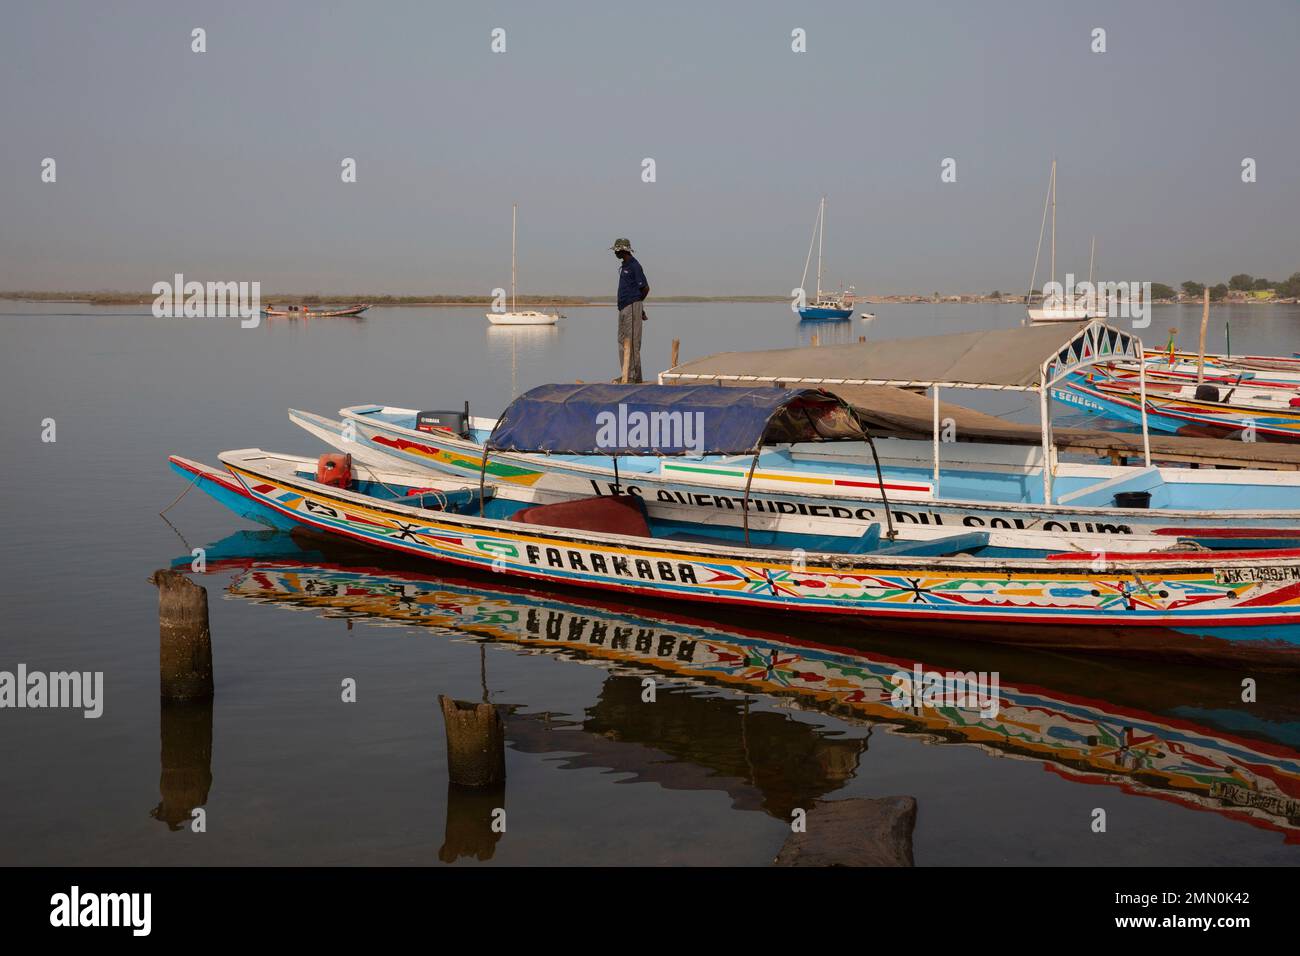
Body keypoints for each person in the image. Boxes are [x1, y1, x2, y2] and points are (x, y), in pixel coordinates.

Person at [611, 237, 649, 383]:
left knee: (632, 342)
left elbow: (645, 288)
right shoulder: (625, 266)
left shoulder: (634, 265)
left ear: (623, 250)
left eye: (617, 250)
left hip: (632, 306)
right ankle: (626, 373)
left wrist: (638, 305)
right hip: (624, 308)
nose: (615, 253)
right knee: (622, 341)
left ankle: (633, 376)